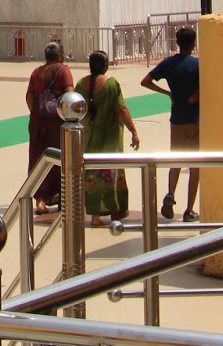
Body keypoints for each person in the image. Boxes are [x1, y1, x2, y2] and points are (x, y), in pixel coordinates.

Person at [142, 26, 200, 222]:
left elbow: (145, 81)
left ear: (177, 43)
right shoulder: (197, 65)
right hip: (194, 120)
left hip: (176, 120)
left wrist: (168, 93)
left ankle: (171, 193)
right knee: (195, 166)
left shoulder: (168, 63)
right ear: (193, 44)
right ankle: (189, 209)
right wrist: (197, 94)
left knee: (175, 160)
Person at [80, 50, 140, 226]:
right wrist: (133, 131)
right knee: (111, 174)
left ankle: (95, 216)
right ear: (105, 66)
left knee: (92, 175)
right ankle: (115, 211)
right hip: (110, 139)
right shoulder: (111, 84)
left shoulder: (81, 84)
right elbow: (121, 109)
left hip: (89, 139)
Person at [25, 40, 74, 215]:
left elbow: (29, 97)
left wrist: (38, 113)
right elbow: (69, 94)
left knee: (38, 158)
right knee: (60, 157)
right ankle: (63, 198)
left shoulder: (36, 72)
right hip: (57, 121)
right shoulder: (63, 70)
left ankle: (40, 201)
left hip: (38, 121)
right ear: (60, 56)